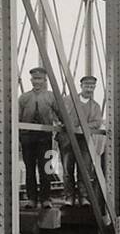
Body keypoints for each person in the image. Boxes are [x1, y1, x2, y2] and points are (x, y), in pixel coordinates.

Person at [18, 66, 61, 207]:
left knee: (46, 169)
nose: (37, 81)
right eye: (34, 79)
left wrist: (62, 125)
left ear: (45, 80)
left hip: (45, 138)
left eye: (39, 79)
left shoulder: (51, 96)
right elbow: (17, 118)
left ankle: (45, 199)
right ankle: (32, 199)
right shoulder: (24, 98)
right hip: (27, 139)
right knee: (29, 169)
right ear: (31, 80)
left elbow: (60, 114)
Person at [61, 74, 105, 204]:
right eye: (87, 86)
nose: (89, 89)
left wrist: (82, 127)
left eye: (92, 86)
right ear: (81, 86)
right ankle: (68, 196)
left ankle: (83, 196)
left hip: (84, 140)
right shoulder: (68, 100)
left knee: (84, 169)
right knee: (67, 169)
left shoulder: (95, 106)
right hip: (67, 139)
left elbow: (97, 122)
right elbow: (60, 114)